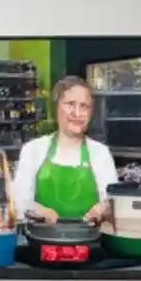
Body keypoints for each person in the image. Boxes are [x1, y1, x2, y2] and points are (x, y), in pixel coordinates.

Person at [12, 75, 118, 224]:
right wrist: (38, 211)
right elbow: (18, 201)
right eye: (70, 104)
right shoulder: (34, 149)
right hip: (42, 239)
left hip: (88, 241)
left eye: (84, 106)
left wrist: (102, 210)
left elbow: (112, 202)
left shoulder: (100, 153)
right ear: (56, 108)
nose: (77, 113)